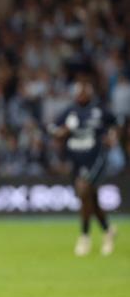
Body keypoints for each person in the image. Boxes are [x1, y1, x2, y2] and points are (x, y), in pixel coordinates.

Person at [52, 75, 118, 256]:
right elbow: (52, 129)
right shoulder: (70, 111)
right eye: (78, 92)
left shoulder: (99, 110)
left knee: (84, 189)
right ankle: (108, 230)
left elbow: (116, 123)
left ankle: (84, 236)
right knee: (91, 199)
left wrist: (113, 137)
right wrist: (63, 131)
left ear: (89, 93)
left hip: (95, 158)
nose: (80, 95)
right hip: (76, 160)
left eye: (83, 91)